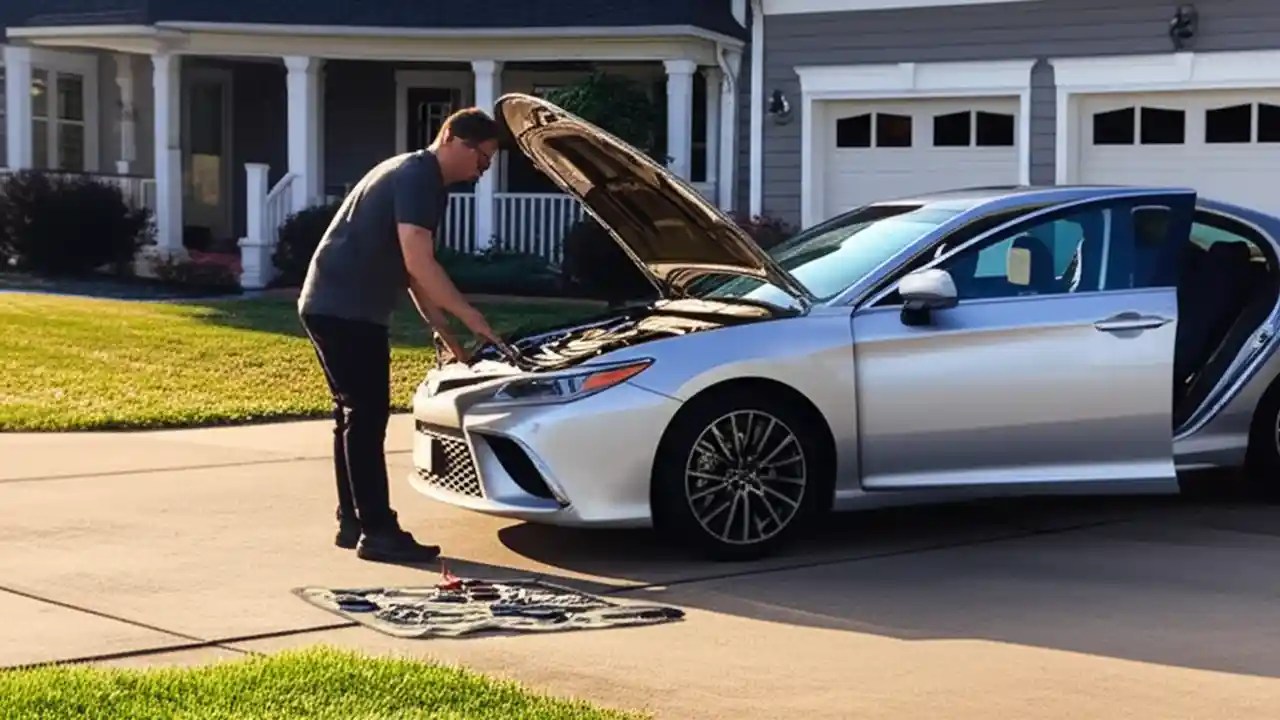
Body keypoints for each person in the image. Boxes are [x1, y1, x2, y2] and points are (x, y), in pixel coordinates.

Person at [297, 107, 507, 563]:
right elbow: (420, 261)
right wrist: (472, 316)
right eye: (482, 159)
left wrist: (453, 342)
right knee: (366, 416)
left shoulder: (420, 179)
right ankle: (378, 531)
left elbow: (414, 276)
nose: (482, 171)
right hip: (345, 309)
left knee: (353, 416)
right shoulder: (417, 177)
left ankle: (353, 522)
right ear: (452, 138)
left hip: (332, 304)